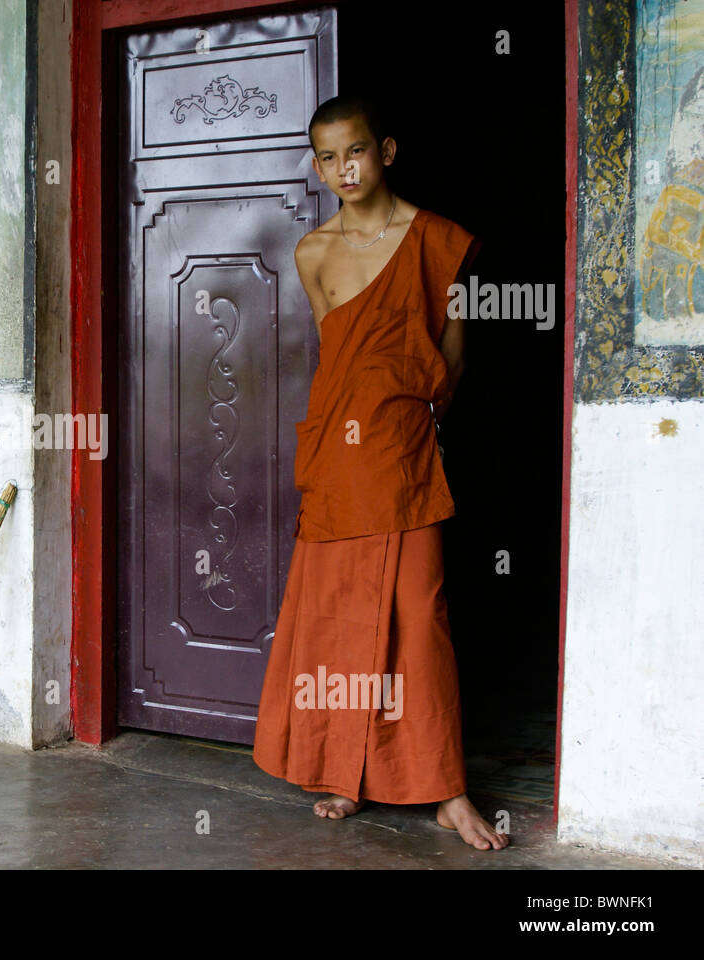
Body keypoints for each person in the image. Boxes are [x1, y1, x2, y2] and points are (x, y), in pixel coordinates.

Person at [251, 95, 509, 851]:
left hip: (402, 454)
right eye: (326, 158)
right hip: (336, 454)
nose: (343, 170)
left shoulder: (439, 241)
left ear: (386, 151)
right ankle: (343, 767)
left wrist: (415, 423)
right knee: (336, 614)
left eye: (355, 152)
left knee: (419, 619)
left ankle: (446, 791)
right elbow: (342, 360)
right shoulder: (312, 253)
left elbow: (451, 356)